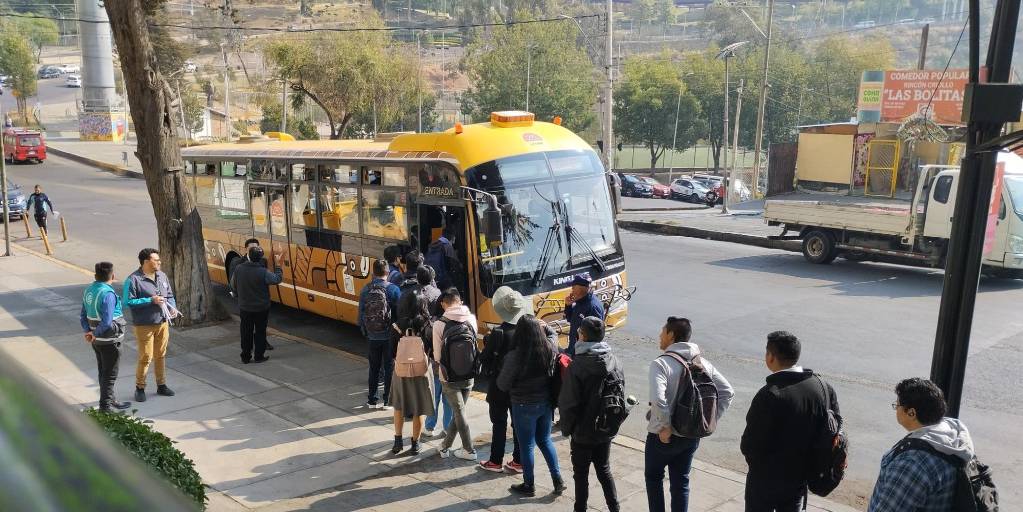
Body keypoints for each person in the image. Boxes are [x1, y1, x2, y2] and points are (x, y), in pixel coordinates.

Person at [741, 331, 838, 512]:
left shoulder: (770, 394)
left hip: (765, 481)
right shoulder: (823, 388)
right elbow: (833, 428)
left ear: (770, 357)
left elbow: (750, 444)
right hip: (800, 479)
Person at [647, 317, 734, 512]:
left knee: (653, 479)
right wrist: (709, 419)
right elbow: (727, 391)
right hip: (691, 434)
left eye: (662, 331)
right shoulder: (702, 363)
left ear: (671, 335)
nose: (660, 335)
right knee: (681, 483)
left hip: (662, 437)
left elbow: (659, 399)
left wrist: (665, 426)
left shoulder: (661, 364)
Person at [868, 378, 975, 512]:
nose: (896, 409)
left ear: (911, 413)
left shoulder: (912, 464)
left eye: (897, 405)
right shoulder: (952, 434)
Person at [559, 316, 622, 512]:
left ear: (583, 336)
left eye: (579, 332)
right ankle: (614, 508)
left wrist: (567, 428)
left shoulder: (577, 366)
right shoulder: (614, 360)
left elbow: (568, 403)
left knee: (581, 474)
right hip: (605, 427)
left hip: (583, 431)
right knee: (604, 469)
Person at [498, 315, 565, 497]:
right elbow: (553, 337)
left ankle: (529, 484)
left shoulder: (515, 356)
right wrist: (547, 327)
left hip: (523, 405)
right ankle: (558, 479)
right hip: (546, 404)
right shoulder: (549, 348)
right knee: (545, 440)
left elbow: (502, 384)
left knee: (527, 445)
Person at [478, 286, 525, 474]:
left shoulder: (498, 333)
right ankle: (519, 461)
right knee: (517, 424)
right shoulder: (526, 330)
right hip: (519, 386)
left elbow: (484, 359)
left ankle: (495, 461)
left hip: (499, 385)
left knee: (499, 423)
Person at [123, 248, 178, 403]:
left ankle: (161, 385)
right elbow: (127, 302)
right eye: (156, 260)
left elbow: (169, 295)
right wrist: (150, 300)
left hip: (162, 323)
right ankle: (140, 388)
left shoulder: (162, 276)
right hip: (144, 325)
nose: (159, 262)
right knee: (146, 357)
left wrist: (172, 307)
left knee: (160, 355)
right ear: (146, 262)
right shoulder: (133, 279)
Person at [431, 287, 479, 461]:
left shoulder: (439, 324)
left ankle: (469, 450)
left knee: (459, 413)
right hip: (469, 373)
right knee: (460, 412)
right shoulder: (471, 319)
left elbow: (437, 356)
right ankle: (445, 446)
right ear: (459, 301)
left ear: (444, 304)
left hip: (448, 376)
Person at [80, 262, 131, 412]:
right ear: (113, 276)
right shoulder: (107, 294)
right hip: (110, 340)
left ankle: (110, 398)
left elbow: (83, 315)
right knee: (110, 374)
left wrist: (89, 332)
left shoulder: (89, 290)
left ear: (95, 275)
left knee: (103, 371)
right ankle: (105, 407)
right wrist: (94, 334)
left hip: (96, 340)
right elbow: (108, 322)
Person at [389, 294, 436, 456]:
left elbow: (391, 351)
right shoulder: (427, 325)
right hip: (421, 372)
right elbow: (432, 350)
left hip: (400, 371)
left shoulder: (396, 325)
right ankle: (415, 444)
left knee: (399, 406)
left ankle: (397, 441)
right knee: (419, 408)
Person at [358, 259, 400, 409]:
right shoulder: (393, 289)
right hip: (389, 335)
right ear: (387, 273)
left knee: (374, 368)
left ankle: (372, 400)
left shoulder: (365, 289)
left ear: (373, 273)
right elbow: (398, 313)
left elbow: (361, 314)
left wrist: (366, 331)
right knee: (389, 367)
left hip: (372, 336)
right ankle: (387, 400)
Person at [230, 246, 282, 364]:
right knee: (260, 331)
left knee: (245, 331)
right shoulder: (263, 272)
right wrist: (278, 266)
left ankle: (245, 356)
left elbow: (233, 285)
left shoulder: (238, 269)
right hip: (261, 308)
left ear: (249, 256)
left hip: (245, 307)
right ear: (260, 259)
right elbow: (277, 279)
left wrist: (238, 295)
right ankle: (259, 356)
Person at [564, 274, 605, 357]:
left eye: (573, 286)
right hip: (574, 350)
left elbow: (594, 337)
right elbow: (571, 320)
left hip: (583, 354)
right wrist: (568, 305)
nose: (571, 289)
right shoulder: (580, 302)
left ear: (581, 289)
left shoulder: (593, 307)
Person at [425, 225, 462, 291]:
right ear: (452, 237)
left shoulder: (433, 244)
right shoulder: (447, 246)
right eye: (455, 236)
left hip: (433, 279)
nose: (455, 238)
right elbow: (455, 266)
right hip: (443, 280)